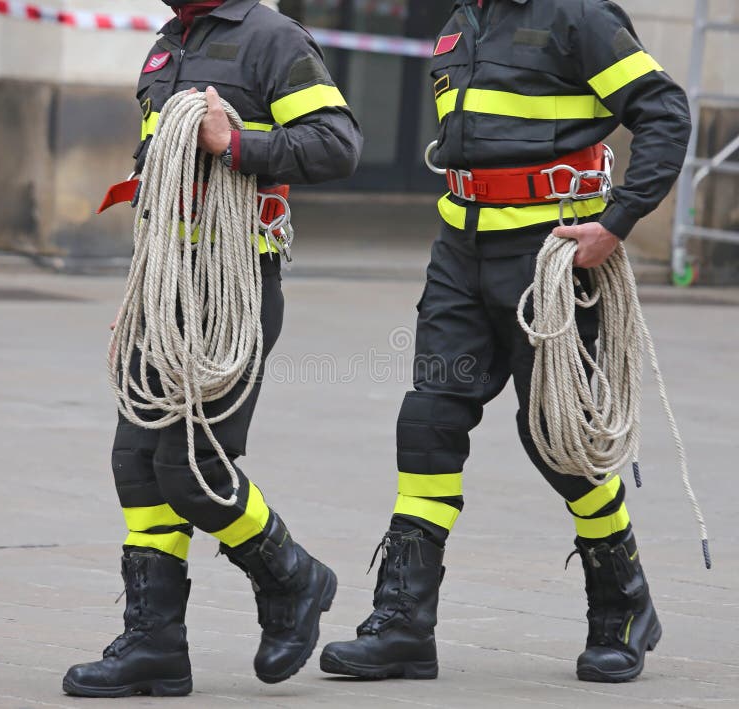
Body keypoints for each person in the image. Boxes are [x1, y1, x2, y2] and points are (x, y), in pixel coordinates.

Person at [320, 0, 690, 684]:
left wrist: (617, 221)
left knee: (557, 436)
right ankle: (403, 624)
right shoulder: (460, 22)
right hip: (460, 253)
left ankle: (623, 603)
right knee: (428, 420)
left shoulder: (580, 18)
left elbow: (666, 112)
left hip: (551, 255)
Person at [63, 0, 362, 697]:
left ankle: (293, 574)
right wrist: (138, 292)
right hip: (164, 286)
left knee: (190, 466)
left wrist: (236, 145)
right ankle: (155, 644)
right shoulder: (168, 46)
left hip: (234, 287)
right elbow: (159, 180)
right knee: (135, 461)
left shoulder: (273, 39)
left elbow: (338, 143)